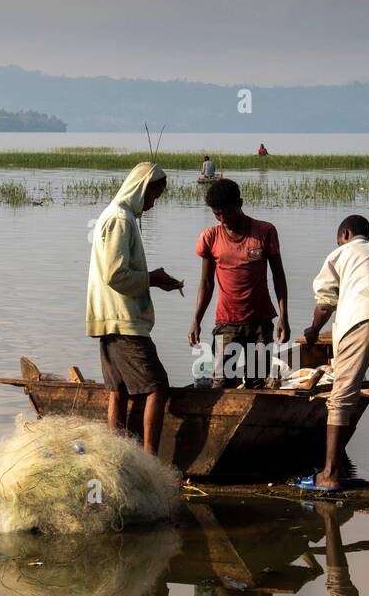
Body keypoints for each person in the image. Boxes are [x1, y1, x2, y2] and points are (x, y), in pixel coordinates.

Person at [301, 214, 369, 491]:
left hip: (361, 321)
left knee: (340, 399)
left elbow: (326, 303)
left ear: (346, 234)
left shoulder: (341, 254)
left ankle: (329, 474)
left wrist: (313, 330)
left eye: (338, 238)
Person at [85, 161, 183, 454]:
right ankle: (149, 459)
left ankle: (116, 456)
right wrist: (152, 278)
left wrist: (153, 279)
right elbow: (115, 274)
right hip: (124, 321)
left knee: (118, 390)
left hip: (109, 319)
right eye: (153, 196)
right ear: (142, 188)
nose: (153, 204)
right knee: (157, 386)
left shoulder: (116, 214)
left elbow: (118, 271)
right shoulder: (120, 218)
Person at [189, 178, 289, 388]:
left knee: (257, 382)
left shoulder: (264, 232)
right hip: (227, 323)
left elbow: (278, 276)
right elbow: (206, 283)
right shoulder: (210, 237)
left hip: (260, 323)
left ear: (240, 203)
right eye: (217, 214)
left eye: (227, 212)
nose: (223, 218)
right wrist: (196, 320)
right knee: (222, 383)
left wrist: (283, 317)